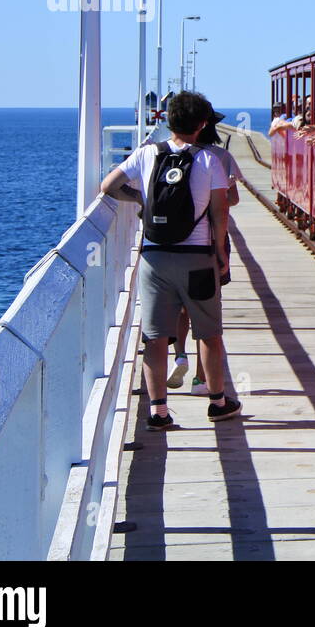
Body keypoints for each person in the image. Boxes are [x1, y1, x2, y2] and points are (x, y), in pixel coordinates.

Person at [99, 91, 242, 430]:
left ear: (165, 121)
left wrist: (142, 201)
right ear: (203, 124)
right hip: (197, 257)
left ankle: (159, 411)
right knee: (208, 333)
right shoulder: (210, 160)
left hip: (154, 257)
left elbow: (108, 186)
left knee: (155, 335)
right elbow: (220, 212)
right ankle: (218, 403)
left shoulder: (148, 153)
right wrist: (220, 252)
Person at [172, 110, 242, 394]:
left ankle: (179, 356)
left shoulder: (163, 153)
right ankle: (202, 380)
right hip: (208, 243)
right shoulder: (219, 157)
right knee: (206, 312)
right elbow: (231, 200)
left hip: (170, 244)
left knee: (180, 308)